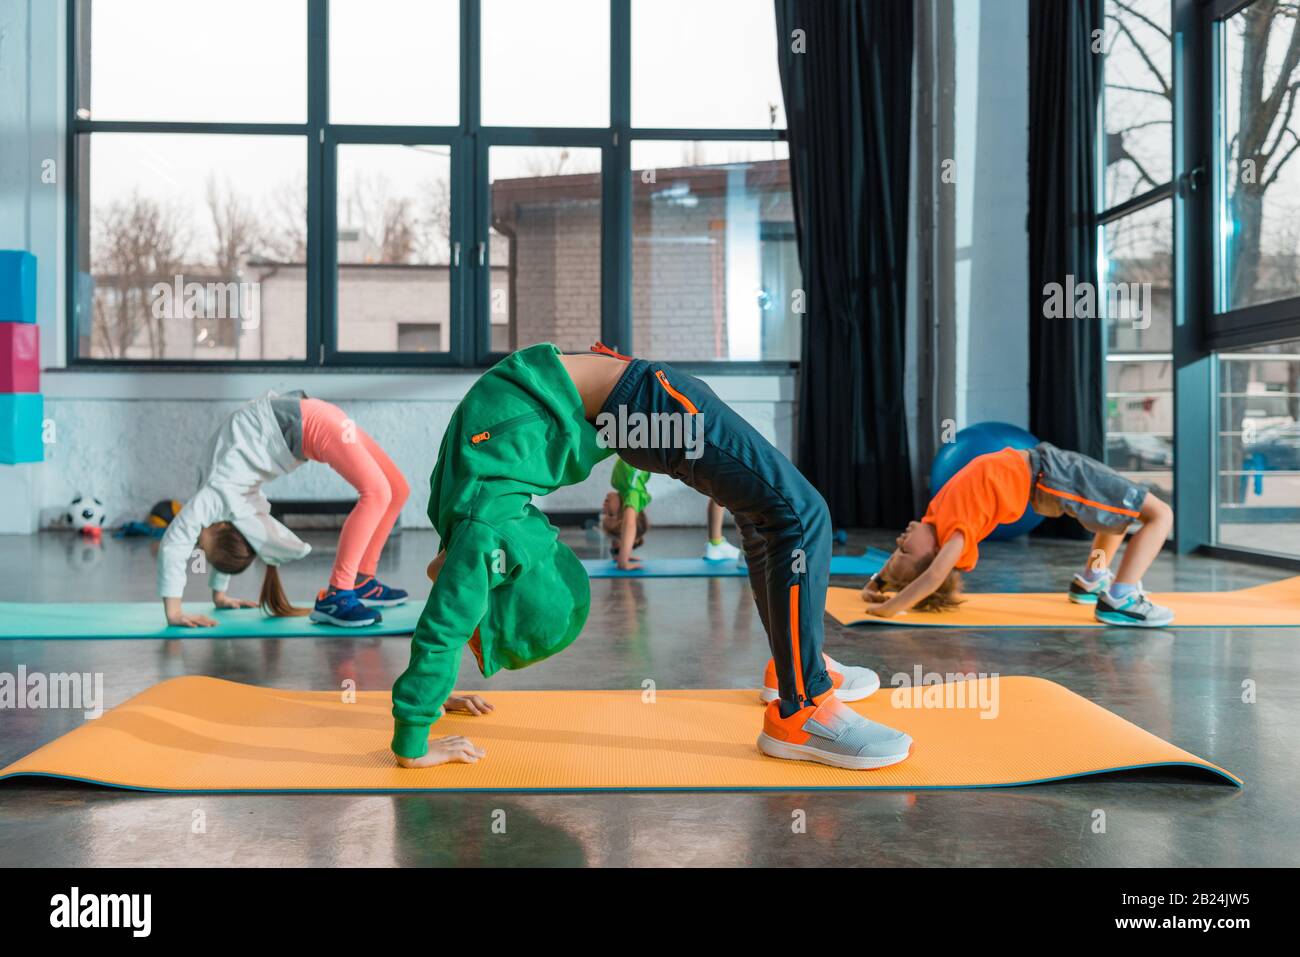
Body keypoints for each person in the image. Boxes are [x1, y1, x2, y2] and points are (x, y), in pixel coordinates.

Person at [390, 342, 911, 770]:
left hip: (644, 404)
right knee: (784, 515)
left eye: (482, 642)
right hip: (635, 402)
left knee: (794, 514)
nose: (476, 645)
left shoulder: (479, 531)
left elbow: (446, 613)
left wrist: (415, 735)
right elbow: (451, 601)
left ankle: (800, 694)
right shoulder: (472, 514)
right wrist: (435, 699)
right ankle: (800, 687)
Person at [157, 392, 409, 629]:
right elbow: (228, 539)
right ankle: (352, 585)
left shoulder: (214, 494)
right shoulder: (228, 503)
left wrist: (174, 612)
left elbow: (175, 540)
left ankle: (345, 589)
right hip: (310, 415)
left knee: (385, 492)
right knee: (392, 490)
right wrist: (219, 595)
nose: (198, 544)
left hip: (306, 420)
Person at [862, 443, 1174, 626]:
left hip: (1048, 467)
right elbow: (932, 577)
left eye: (896, 548)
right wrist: (891, 607)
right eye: (904, 551)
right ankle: (1120, 599)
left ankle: (1092, 579)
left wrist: (879, 581)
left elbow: (912, 568)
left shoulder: (936, 517)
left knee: (1112, 516)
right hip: (1054, 474)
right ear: (934, 555)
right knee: (1159, 515)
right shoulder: (957, 530)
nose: (900, 541)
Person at [600, 459, 742, 570]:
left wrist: (620, 554)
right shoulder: (633, 494)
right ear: (623, 513)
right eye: (610, 514)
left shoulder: (620, 486)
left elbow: (625, 529)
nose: (604, 507)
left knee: (719, 486)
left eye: (605, 514)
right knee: (722, 484)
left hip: (638, 437)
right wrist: (623, 562)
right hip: (649, 439)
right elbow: (629, 525)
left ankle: (718, 544)